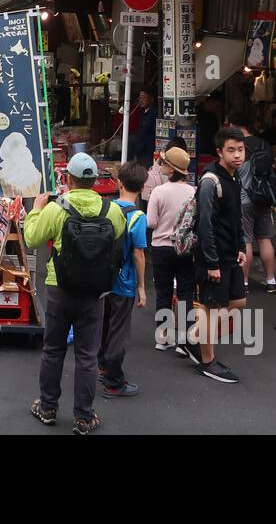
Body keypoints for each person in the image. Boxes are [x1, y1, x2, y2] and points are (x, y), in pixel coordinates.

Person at [23, 153, 127, 434]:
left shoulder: (58, 210)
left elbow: (31, 238)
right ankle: (84, 416)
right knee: (87, 355)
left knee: (53, 349)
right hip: (95, 292)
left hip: (60, 287)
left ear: (68, 179)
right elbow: (119, 236)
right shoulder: (111, 210)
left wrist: (35, 209)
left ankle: (47, 407)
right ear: (95, 181)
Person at [194, 127, 249, 384]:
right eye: (231, 150)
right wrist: (211, 262)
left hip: (230, 253)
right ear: (219, 152)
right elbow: (205, 225)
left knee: (238, 302)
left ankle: (196, 337)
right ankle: (207, 361)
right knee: (210, 308)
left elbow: (235, 217)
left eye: (240, 149)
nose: (237, 155)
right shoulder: (210, 181)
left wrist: (240, 246)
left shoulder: (234, 177)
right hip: (213, 256)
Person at [101, 163, 149, 398]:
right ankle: (113, 380)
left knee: (103, 324)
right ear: (142, 187)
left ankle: (101, 365)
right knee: (119, 329)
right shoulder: (137, 216)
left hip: (102, 279)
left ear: (119, 183)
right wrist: (141, 286)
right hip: (125, 280)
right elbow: (138, 254)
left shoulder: (106, 208)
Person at [145, 146, 197, 355]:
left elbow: (151, 222)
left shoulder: (159, 192)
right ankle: (185, 341)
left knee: (163, 293)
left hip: (161, 248)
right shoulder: (193, 191)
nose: (161, 164)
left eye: (164, 162)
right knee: (186, 292)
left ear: (172, 169)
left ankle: (163, 337)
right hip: (185, 249)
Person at [229, 112, 276, 295]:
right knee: (265, 239)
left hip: (244, 199)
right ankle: (271, 280)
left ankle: (243, 283)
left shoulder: (237, 146)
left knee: (246, 241)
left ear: (236, 126)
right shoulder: (264, 144)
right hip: (264, 198)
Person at [132, 90, 158, 167]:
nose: (141, 100)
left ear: (151, 99)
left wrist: (144, 146)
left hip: (147, 152)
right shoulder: (143, 112)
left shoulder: (154, 113)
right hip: (140, 151)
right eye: (140, 98)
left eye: (144, 97)